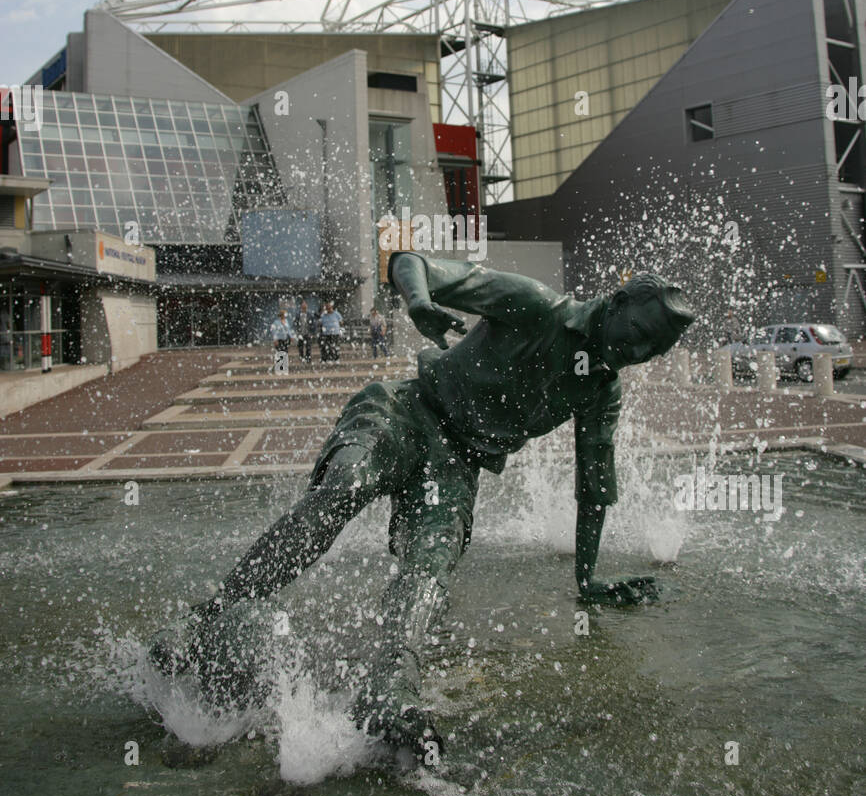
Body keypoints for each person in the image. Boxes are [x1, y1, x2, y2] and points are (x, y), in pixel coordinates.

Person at [150, 253, 693, 759]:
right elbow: (411, 262)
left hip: (453, 464)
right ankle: (207, 623)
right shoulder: (534, 304)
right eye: (639, 334)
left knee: (431, 561)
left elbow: (594, 486)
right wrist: (418, 304)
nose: (639, 352)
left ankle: (388, 689)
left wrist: (587, 581)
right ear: (618, 303)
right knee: (345, 488)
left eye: (655, 350)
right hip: (405, 412)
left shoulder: (601, 388)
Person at [294, 299, 313, 364]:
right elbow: (295, 323)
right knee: (300, 347)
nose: (304, 305)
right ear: (301, 305)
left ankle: (308, 359)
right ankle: (302, 358)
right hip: (300, 333)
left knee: (308, 347)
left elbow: (313, 324)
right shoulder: (298, 314)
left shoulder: (310, 314)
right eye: (303, 304)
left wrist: (312, 332)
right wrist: (297, 331)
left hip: (308, 333)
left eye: (305, 304)